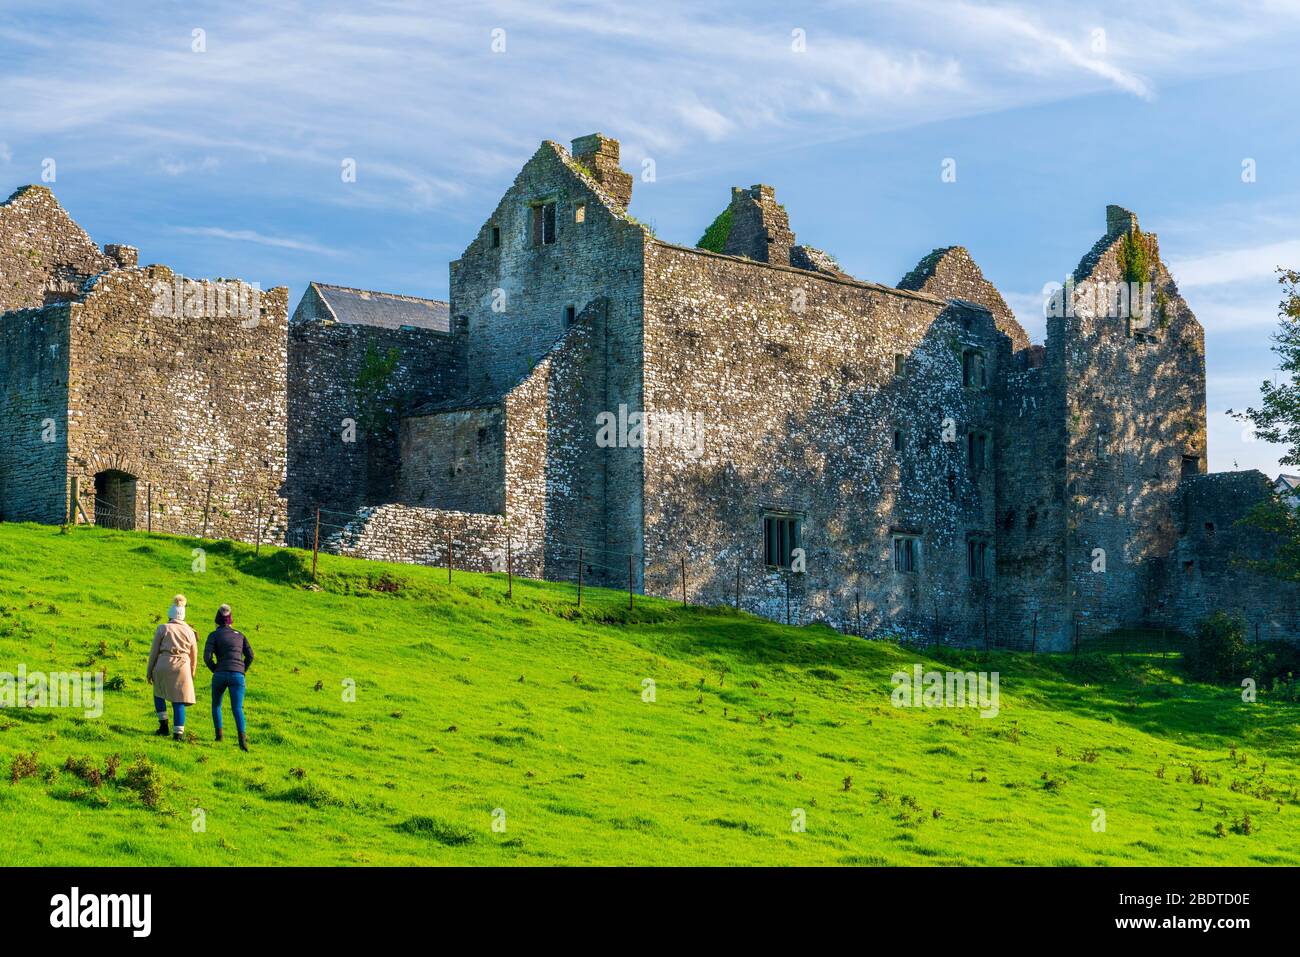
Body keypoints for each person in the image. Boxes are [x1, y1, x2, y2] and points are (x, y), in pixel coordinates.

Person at [146, 594, 198, 742]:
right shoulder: (190, 631)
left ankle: (163, 726)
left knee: (158, 693)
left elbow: (154, 651)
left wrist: (149, 671)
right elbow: (194, 655)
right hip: (182, 667)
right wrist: (192, 672)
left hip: (163, 663)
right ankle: (178, 734)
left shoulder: (163, 628)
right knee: (179, 700)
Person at [205, 603, 254, 752]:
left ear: (217, 620)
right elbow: (250, 655)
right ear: (231, 620)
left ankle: (219, 736)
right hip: (237, 675)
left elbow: (207, 657)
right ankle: (242, 740)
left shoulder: (213, 635)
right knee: (237, 708)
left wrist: (215, 669)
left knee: (216, 705)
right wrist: (242, 669)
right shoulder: (241, 635)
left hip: (220, 673)